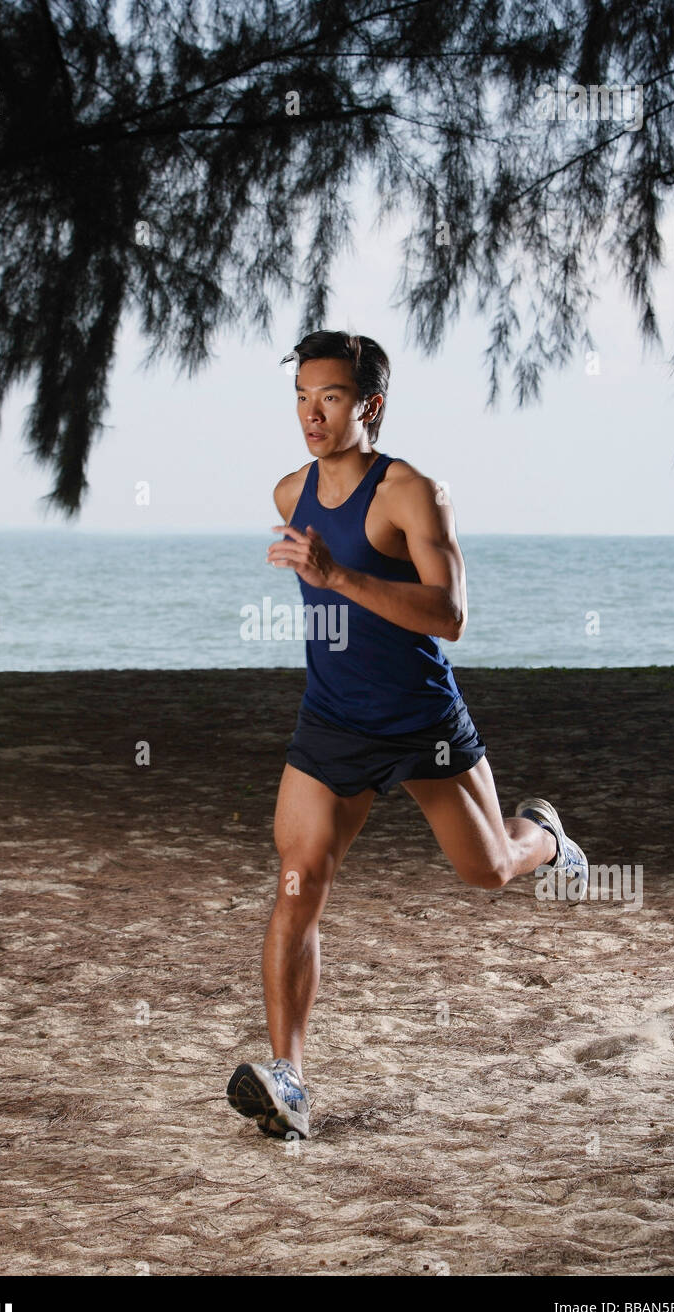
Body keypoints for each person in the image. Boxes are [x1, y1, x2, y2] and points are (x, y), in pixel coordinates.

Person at [227, 330, 587, 1140]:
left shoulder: (414, 493)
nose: (311, 414)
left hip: (421, 723)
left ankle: (548, 839)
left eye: (331, 398)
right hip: (331, 723)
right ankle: (289, 1080)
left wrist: (339, 577)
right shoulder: (291, 493)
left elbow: (451, 617)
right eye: (301, 396)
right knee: (298, 880)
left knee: (488, 869)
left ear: (370, 406)